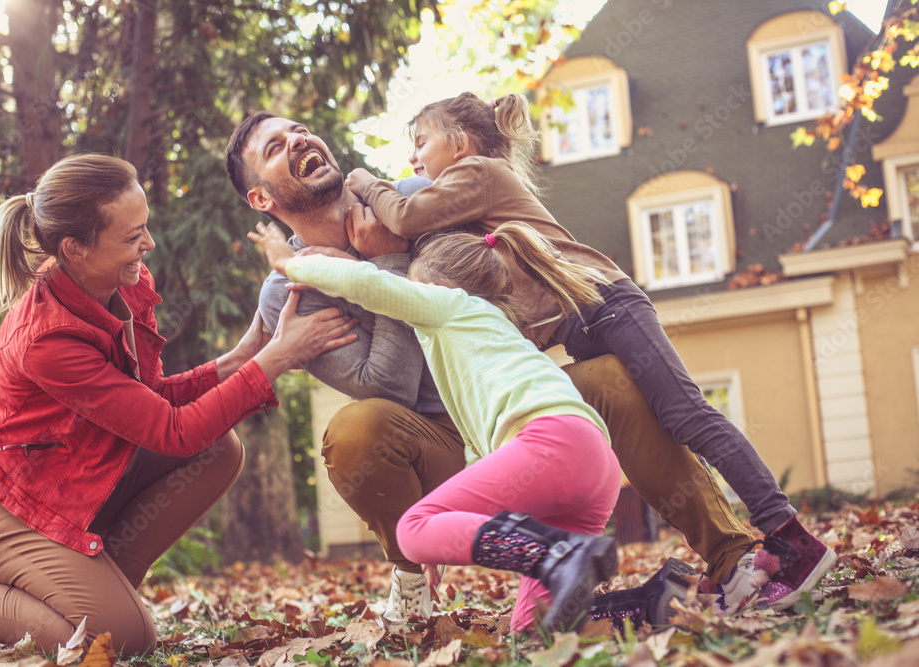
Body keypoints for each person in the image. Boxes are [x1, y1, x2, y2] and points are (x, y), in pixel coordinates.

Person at [224, 111, 763, 628]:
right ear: (260, 198)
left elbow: (504, 267)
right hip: (443, 443)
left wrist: (391, 258)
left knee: (614, 379)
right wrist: (385, 265)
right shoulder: (289, 292)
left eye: (299, 131)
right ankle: (412, 572)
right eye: (275, 147)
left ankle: (732, 555)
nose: (297, 140)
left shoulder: (412, 201)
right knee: (354, 431)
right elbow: (385, 387)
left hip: (517, 415)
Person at [342, 91, 836, 610]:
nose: (414, 157)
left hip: (605, 301)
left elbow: (403, 214)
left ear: (459, 143)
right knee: (663, 416)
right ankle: (729, 561)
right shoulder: (468, 208)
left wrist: (363, 181)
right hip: (580, 328)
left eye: (421, 142)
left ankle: (791, 538)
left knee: (686, 414)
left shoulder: (480, 172)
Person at [0, 154, 357, 656]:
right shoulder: (47, 338)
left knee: (219, 450)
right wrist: (277, 359)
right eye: (132, 237)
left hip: (73, 479)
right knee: (119, 641)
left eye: (144, 229)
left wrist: (241, 359)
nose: (147, 245)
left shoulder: (123, 282)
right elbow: (174, 433)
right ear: (75, 249)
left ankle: (93, 596)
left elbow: (151, 406)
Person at [251, 218, 692, 633]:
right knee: (533, 624)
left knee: (410, 529)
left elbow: (367, 285)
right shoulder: (496, 333)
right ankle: (650, 602)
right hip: (592, 462)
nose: (407, 298)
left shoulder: (450, 305)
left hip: (552, 444)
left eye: (412, 287)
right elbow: (483, 453)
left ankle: (557, 553)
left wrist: (286, 261)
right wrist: (446, 534)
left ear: (434, 286)